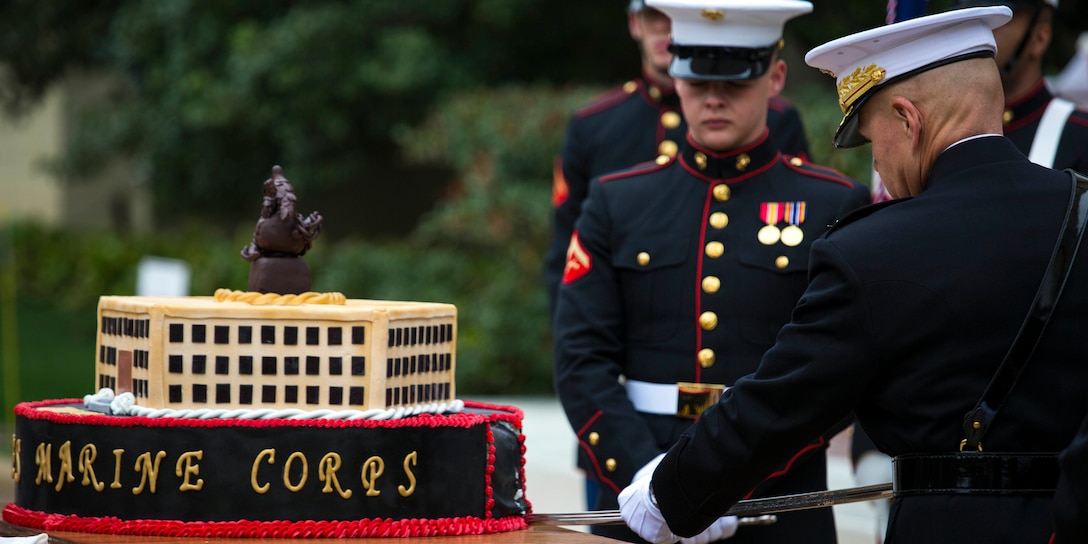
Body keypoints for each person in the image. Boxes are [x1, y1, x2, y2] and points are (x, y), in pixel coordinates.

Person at [617, 5, 1088, 544]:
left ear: (909, 120)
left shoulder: (874, 248)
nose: (879, 167)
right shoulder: (1083, 211)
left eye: (871, 138)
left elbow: (784, 399)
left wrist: (667, 494)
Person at [552, 0, 871, 541]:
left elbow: (843, 369)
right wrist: (653, 485)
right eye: (697, 81)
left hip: (778, 499)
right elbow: (581, 359)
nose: (714, 98)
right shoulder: (617, 201)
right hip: (640, 490)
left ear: (774, 77)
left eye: (736, 82)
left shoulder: (833, 204)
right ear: (676, 79)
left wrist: (721, 481)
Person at [544, 0, 813, 313]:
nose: (664, 27)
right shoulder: (594, 124)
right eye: (653, 15)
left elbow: (801, 213)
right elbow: (567, 252)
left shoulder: (774, 118)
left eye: (674, 15)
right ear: (634, 23)